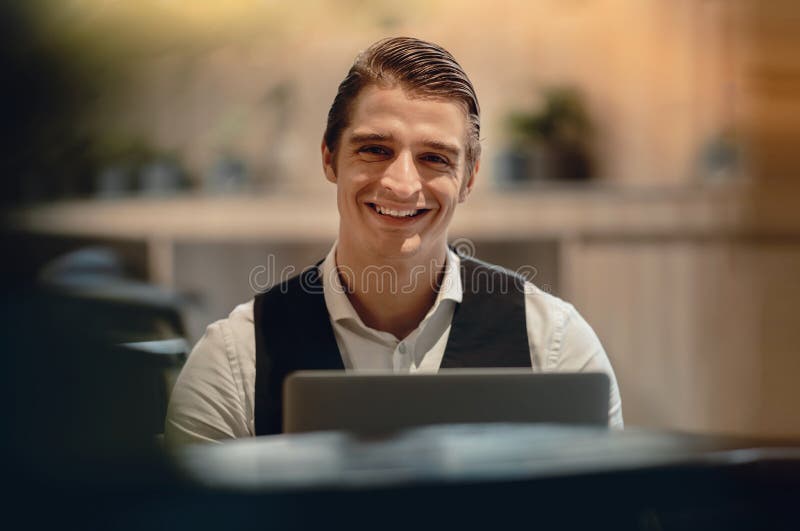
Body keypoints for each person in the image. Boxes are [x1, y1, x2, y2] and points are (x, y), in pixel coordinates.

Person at [165, 37, 623, 445]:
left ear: (468, 179)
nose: (402, 184)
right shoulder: (233, 363)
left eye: (434, 158)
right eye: (375, 150)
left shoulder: (556, 346)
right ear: (330, 158)